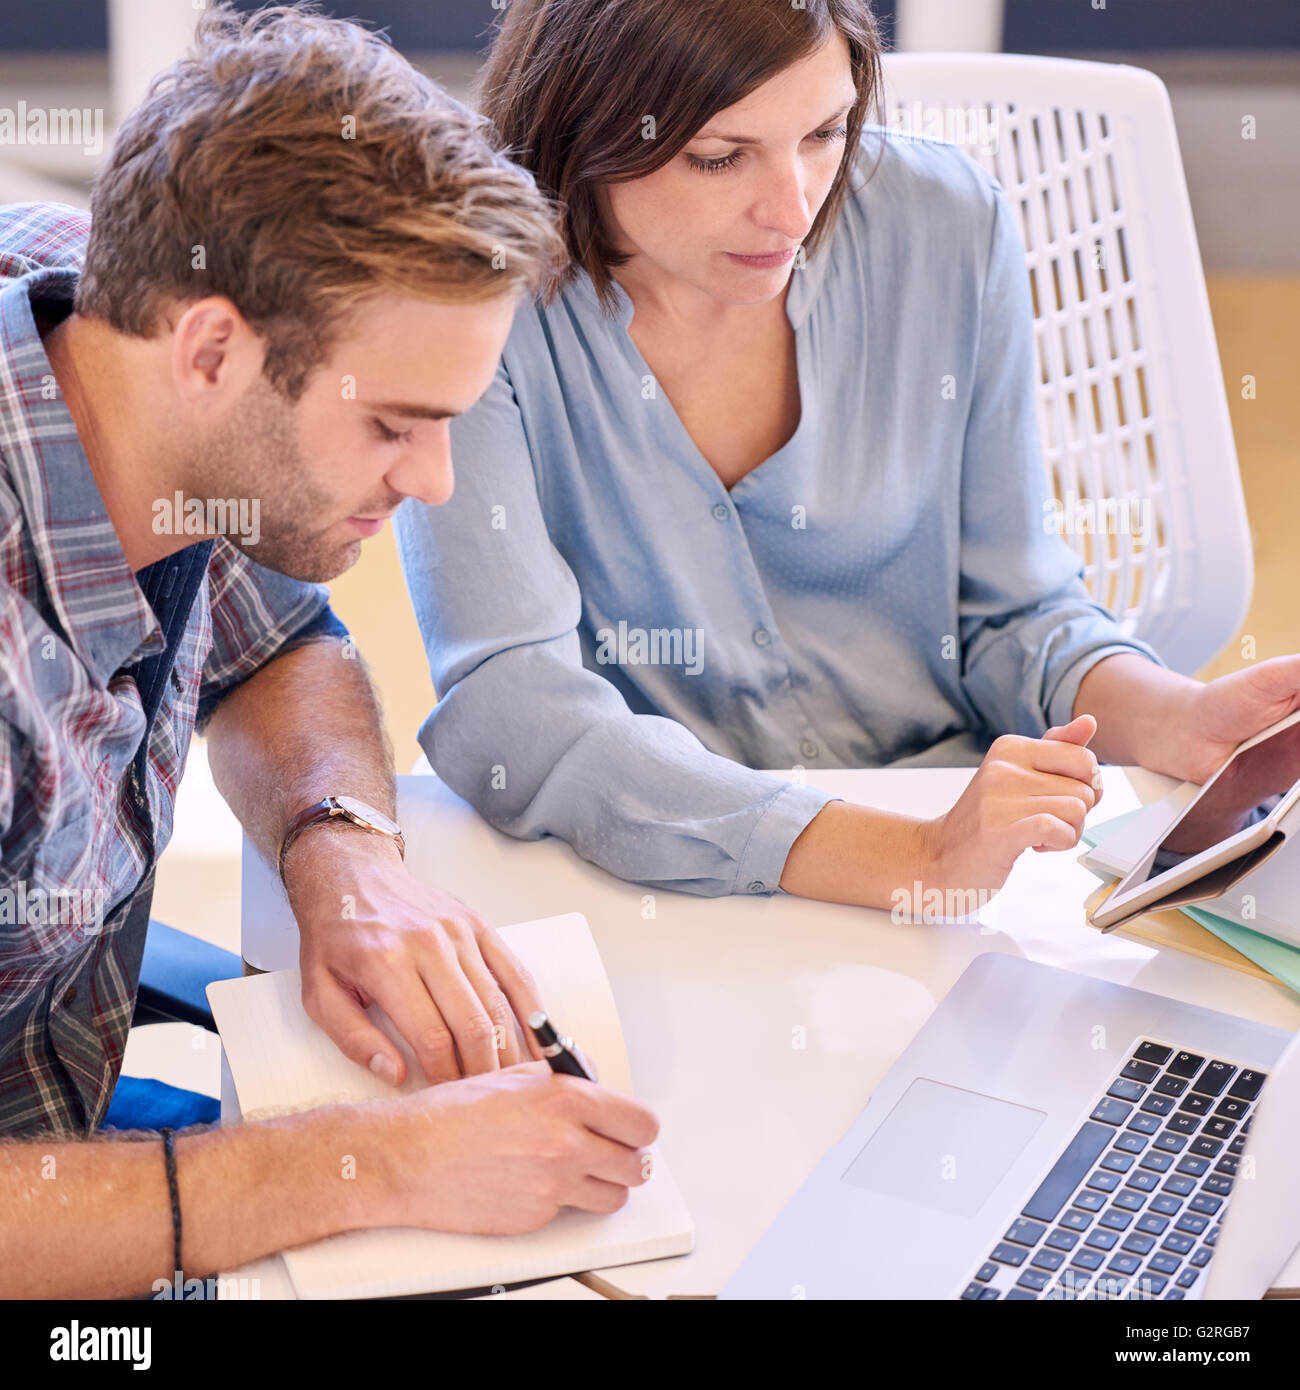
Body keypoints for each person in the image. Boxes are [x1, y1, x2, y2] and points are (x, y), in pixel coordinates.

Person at [0, 4, 655, 1299]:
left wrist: (339, 847)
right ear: (211, 355)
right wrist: (374, 1167)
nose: (437, 480)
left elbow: (281, 637)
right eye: (398, 426)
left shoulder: (119, 317)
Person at [396, 0, 1300, 910]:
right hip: (658, 880)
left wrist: (1182, 722)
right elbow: (517, 713)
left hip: (961, 843)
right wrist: (911, 858)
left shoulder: (944, 223)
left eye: (826, 132)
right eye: (720, 156)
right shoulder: (473, 297)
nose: (793, 208)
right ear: (577, 125)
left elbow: (1010, 613)